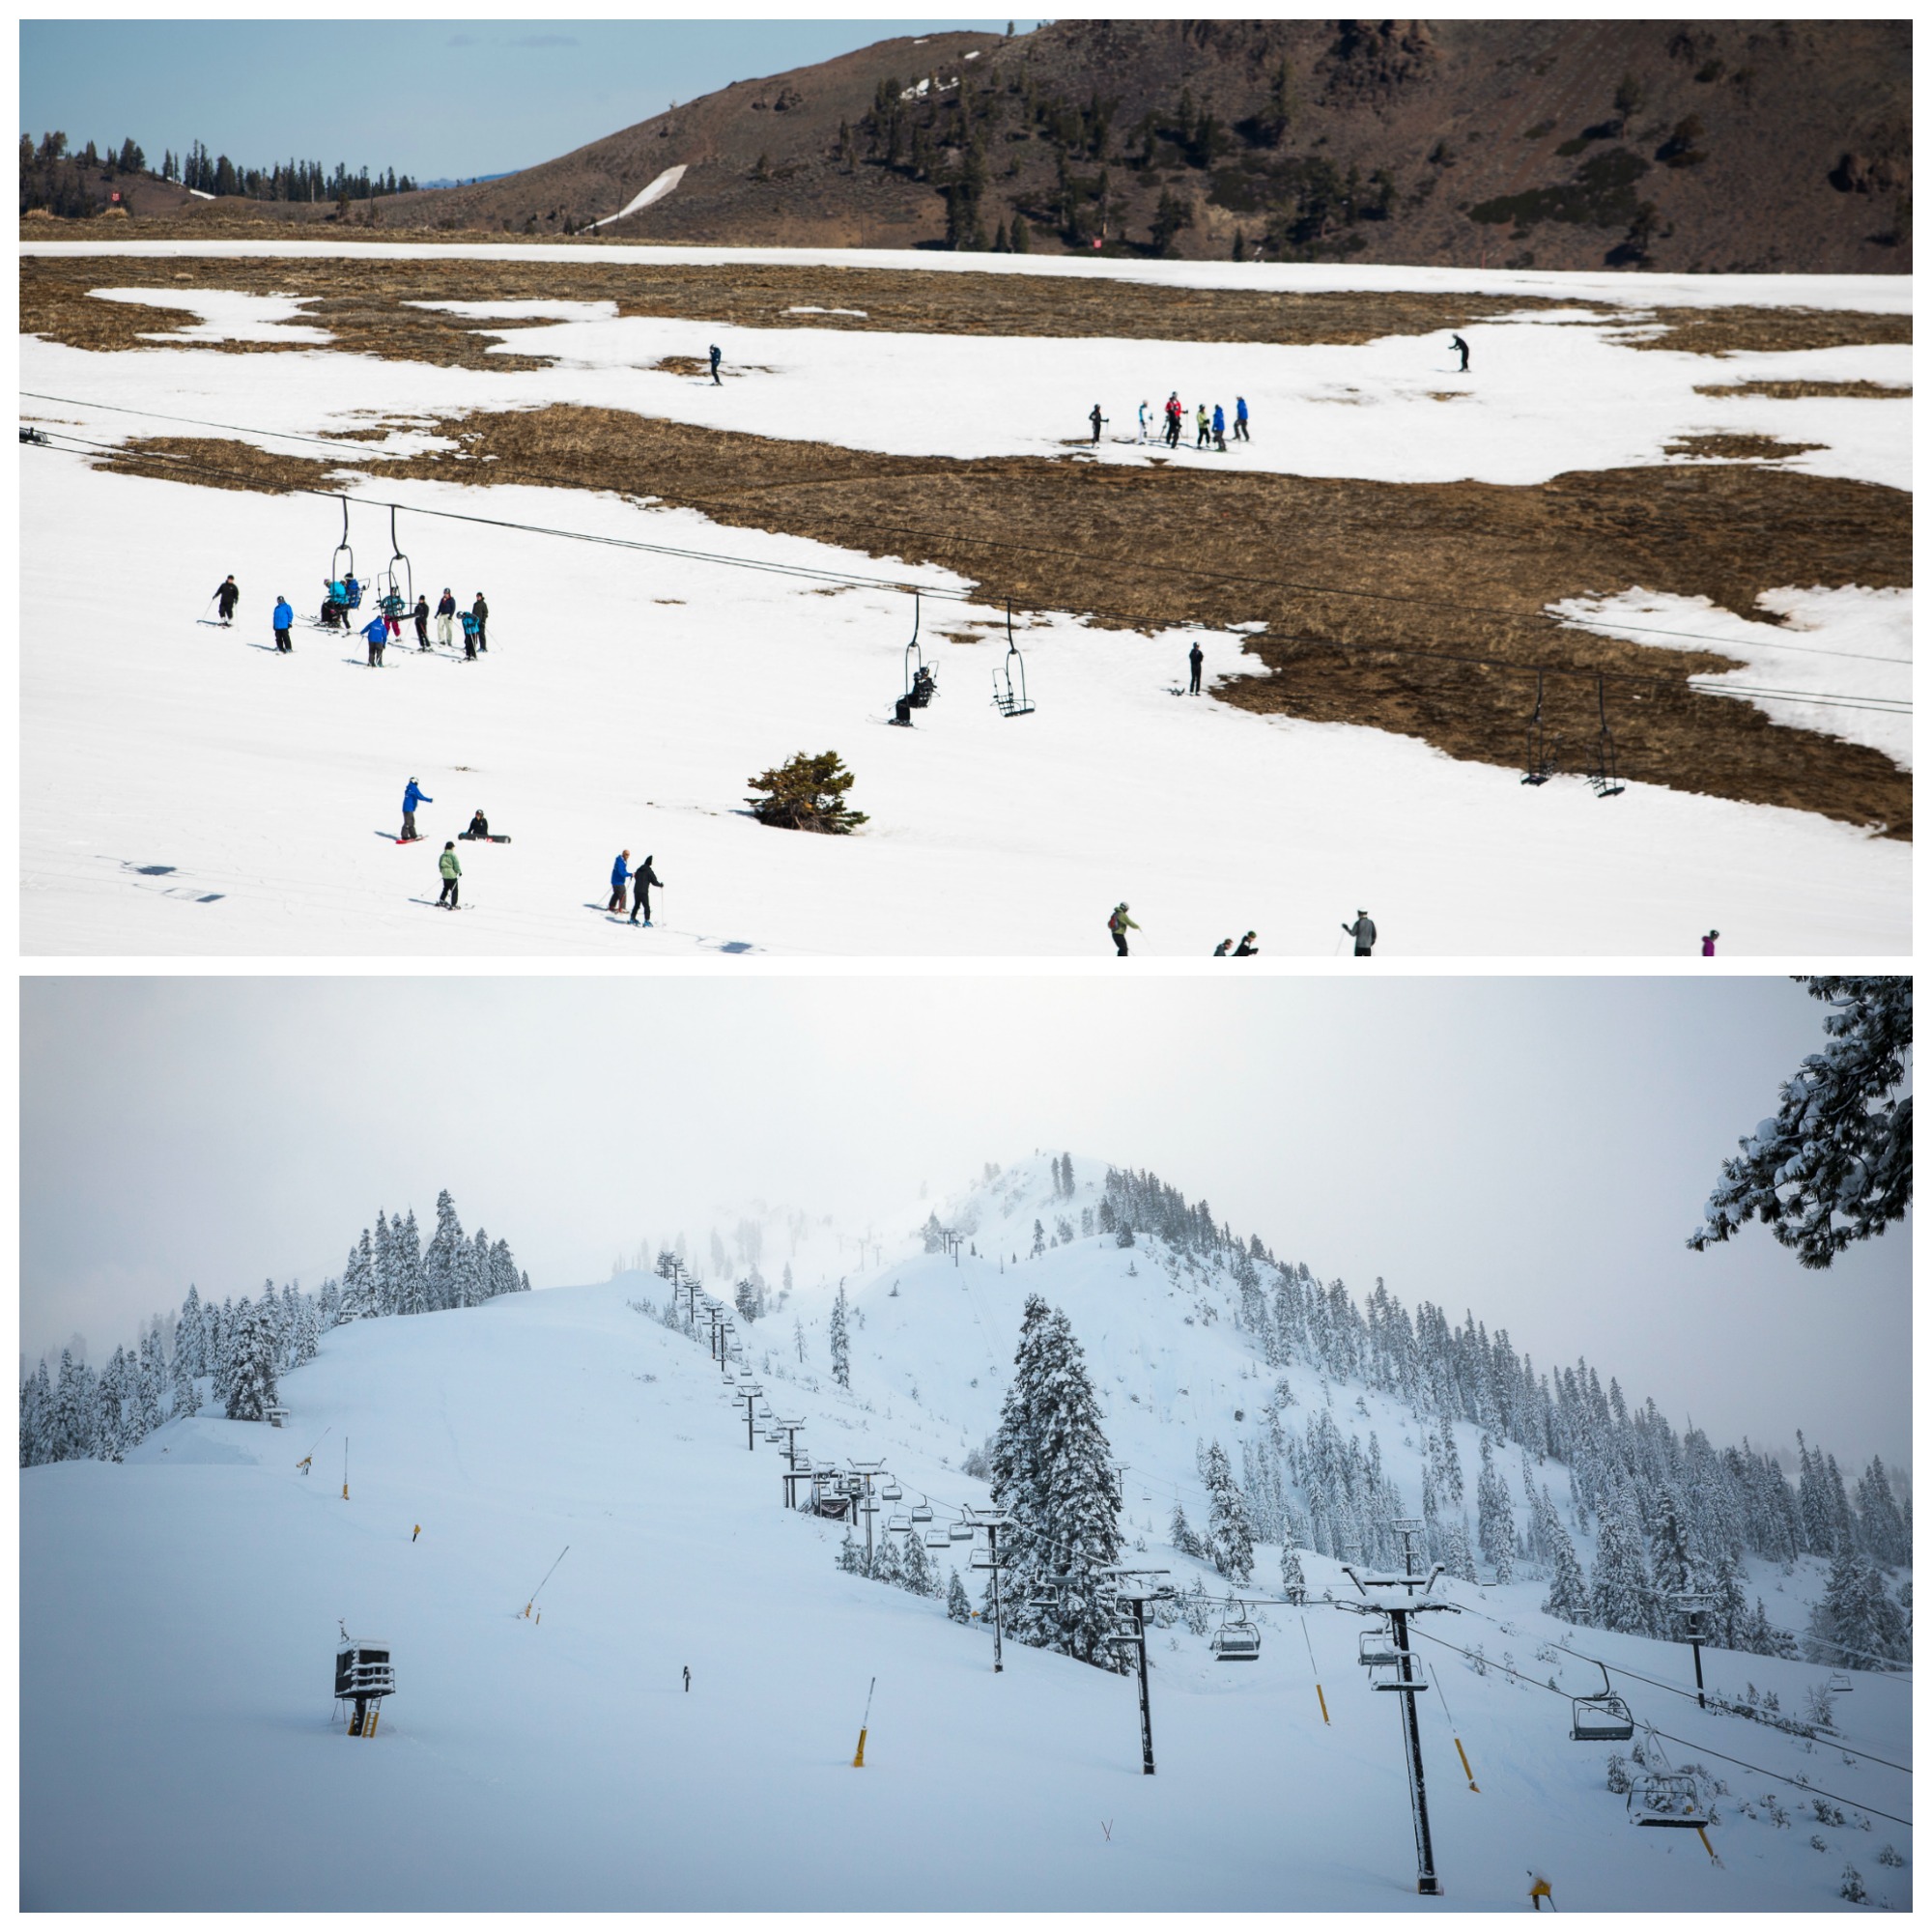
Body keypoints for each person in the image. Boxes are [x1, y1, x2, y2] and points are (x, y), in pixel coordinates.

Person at [630, 853, 665, 926]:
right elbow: (654, 881)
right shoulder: (649, 871)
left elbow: (636, 876)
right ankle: (646, 921)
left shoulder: (639, 869)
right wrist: (660, 885)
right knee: (646, 906)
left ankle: (632, 918)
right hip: (643, 892)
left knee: (636, 905)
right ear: (650, 863)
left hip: (636, 890)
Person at [401, 777, 432, 842]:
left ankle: (413, 835)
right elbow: (420, 796)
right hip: (408, 808)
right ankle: (404, 836)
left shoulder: (409, 787)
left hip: (408, 808)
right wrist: (429, 800)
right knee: (408, 822)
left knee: (411, 821)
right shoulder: (413, 788)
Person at [437, 841, 462, 909]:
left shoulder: (442, 855)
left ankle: (442, 900)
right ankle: (453, 904)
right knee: (454, 890)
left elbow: (440, 865)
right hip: (452, 875)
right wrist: (459, 872)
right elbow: (456, 864)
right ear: (451, 847)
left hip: (445, 875)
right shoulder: (453, 855)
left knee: (446, 888)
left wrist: (442, 871)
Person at [609, 849, 632, 913]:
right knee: (623, 894)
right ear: (623, 854)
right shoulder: (620, 862)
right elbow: (622, 873)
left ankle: (611, 906)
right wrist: (630, 874)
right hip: (618, 882)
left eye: (629, 855)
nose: (628, 856)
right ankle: (622, 908)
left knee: (616, 893)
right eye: (626, 854)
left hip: (615, 881)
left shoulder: (620, 860)